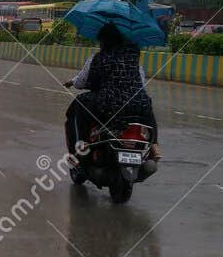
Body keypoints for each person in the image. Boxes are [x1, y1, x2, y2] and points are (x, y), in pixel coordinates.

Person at [66, 24, 159, 159]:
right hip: (138, 103)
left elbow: (89, 82)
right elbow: (141, 79)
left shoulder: (100, 57)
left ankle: (81, 146)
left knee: (79, 104)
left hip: (110, 104)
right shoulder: (134, 54)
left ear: (103, 40)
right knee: (147, 103)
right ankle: (155, 145)